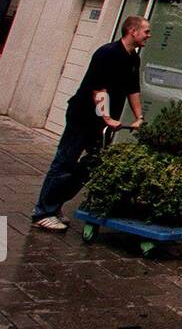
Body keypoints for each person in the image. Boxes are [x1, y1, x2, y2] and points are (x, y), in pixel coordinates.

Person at [31, 15, 150, 231]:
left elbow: (133, 89)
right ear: (133, 31)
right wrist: (107, 117)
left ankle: (55, 205)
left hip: (103, 124)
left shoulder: (133, 58)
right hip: (83, 117)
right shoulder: (107, 53)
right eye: (146, 31)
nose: (148, 36)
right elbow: (99, 89)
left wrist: (139, 118)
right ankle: (43, 212)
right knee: (65, 162)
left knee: (91, 164)